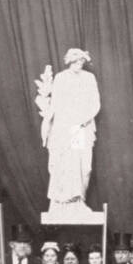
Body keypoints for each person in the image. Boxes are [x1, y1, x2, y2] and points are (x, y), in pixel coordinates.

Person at [35, 48, 101, 217]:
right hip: (65, 128)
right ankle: (65, 202)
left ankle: (79, 201)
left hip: (81, 127)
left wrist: (83, 120)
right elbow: (56, 105)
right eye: (76, 61)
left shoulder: (89, 78)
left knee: (84, 167)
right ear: (69, 62)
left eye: (81, 62)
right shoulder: (61, 78)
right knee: (67, 165)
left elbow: (95, 103)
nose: (79, 64)